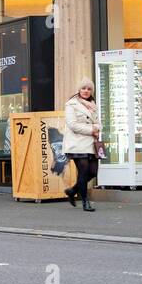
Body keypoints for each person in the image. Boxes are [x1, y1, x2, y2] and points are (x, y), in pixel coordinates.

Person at [63, 79, 100, 212]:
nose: (86, 91)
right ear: (79, 90)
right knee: (83, 171)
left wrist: (96, 128)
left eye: (89, 89)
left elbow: (98, 123)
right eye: (83, 88)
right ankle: (85, 202)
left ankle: (72, 190)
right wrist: (92, 129)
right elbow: (72, 125)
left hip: (91, 143)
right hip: (77, 143)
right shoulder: (71, 104)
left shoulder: (93, 104)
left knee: (93, 172)